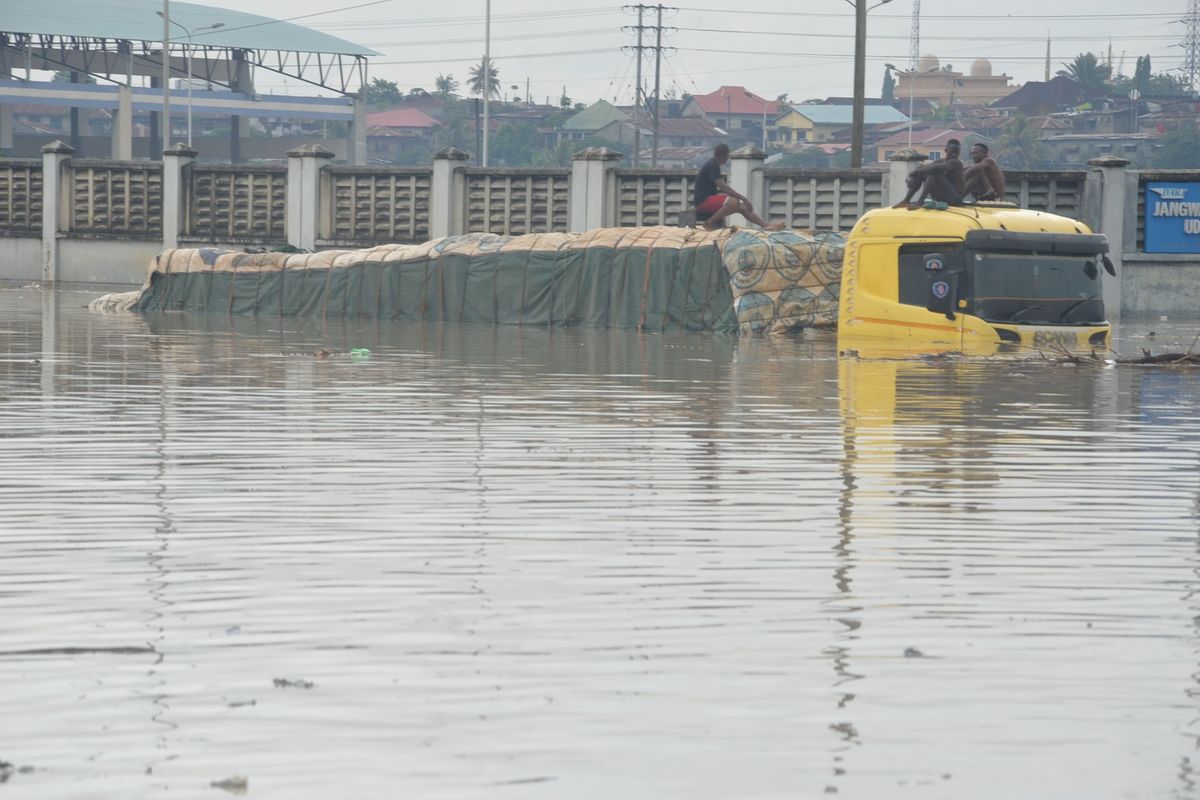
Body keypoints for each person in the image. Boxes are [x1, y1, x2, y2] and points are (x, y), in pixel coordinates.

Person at [694, 143, 784, 231]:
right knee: (734, 201)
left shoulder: (713, 164)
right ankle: (709, 223)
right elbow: (723, 187)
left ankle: (766, 225)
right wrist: (743, 198)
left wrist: (741, 201)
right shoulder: (712, 165)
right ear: (724, 156)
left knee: (742, 207)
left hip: (708, 199)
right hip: (703, 202)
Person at [895, 138, 966, 207]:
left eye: (957, 153)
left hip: (955, 199)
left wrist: (913, 172)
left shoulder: (956, 163)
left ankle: (920, 201)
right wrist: (913, 176)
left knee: (934, 173)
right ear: (946, 150)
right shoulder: (942, 160)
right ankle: (906, 200)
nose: (954, 155)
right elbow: (925, 167)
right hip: (942, 196)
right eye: (953, 152)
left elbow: (934, 168)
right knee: (923, 173)